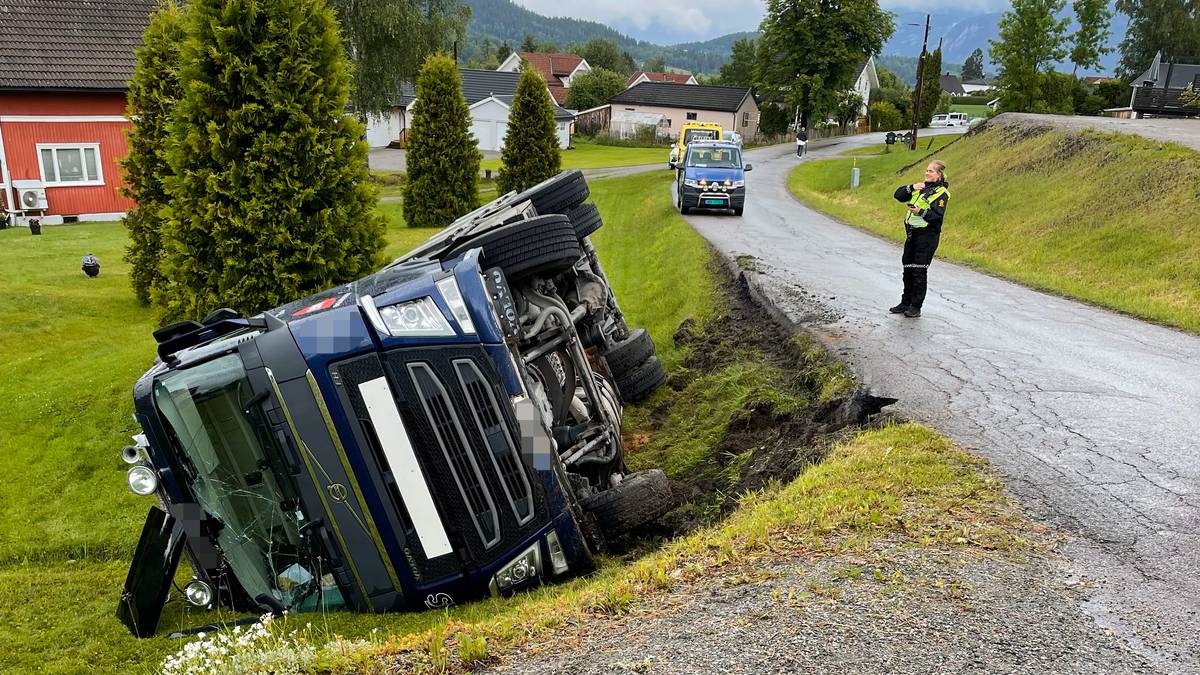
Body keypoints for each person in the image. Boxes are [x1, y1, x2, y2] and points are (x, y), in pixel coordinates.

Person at [890, 160, 949, 318]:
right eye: (926, 170)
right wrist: (912, 187)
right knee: (908, 269)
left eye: (931, 171)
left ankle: (916, 306)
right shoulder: (921, 188)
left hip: (927, 235)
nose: (927, 173)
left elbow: (937, 217)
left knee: (918, 271)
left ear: (939, 174)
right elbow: (898, 195)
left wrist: (920, 211)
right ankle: (905, 303)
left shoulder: (941, 193)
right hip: (912, 234)